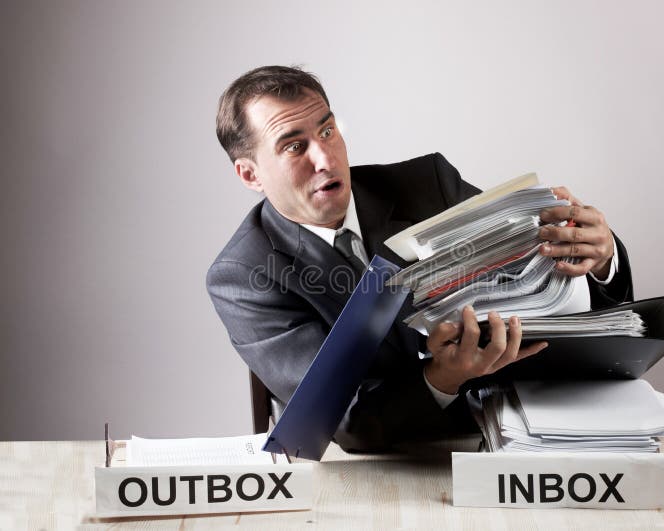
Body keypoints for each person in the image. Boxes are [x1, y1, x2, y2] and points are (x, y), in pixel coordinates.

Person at [206, 66, 633, 451]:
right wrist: (445, 377)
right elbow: (345, 421)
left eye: (327, 131)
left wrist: (598, 258)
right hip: (382, 459)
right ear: (250, 174)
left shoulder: (428, 185)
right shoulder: (242, 275)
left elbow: (541, 279)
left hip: (514, 427)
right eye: (294, 146)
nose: (325, 158)